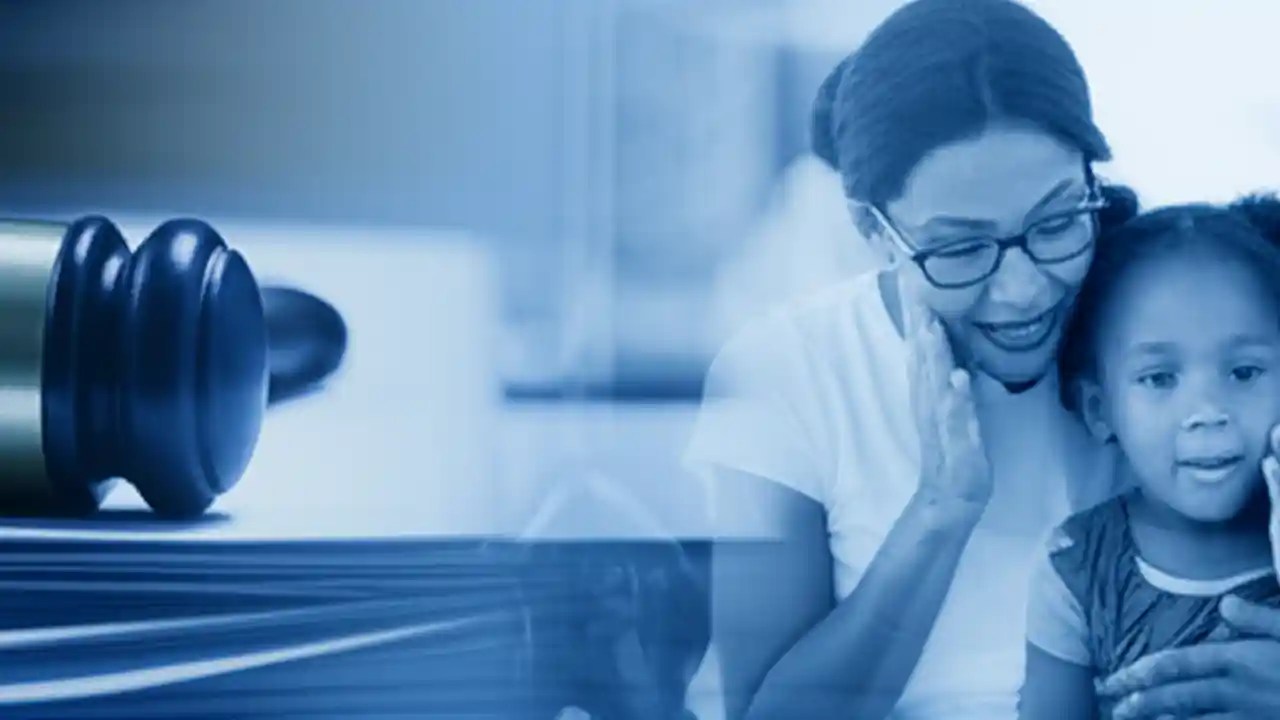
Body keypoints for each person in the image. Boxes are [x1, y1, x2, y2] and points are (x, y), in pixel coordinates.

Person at [682, 1, 1280, 718]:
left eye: (1057, 221)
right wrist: (941, 508)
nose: (1025, 290)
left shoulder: (1160, 333)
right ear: (873, 229)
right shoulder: (789, 371)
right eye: (961, 249)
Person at [1019, 198, 1280, 719]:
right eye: (1160, 378)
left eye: (1245, 372)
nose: (1207, 413)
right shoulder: (1079, 567)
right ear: (1100, 410)